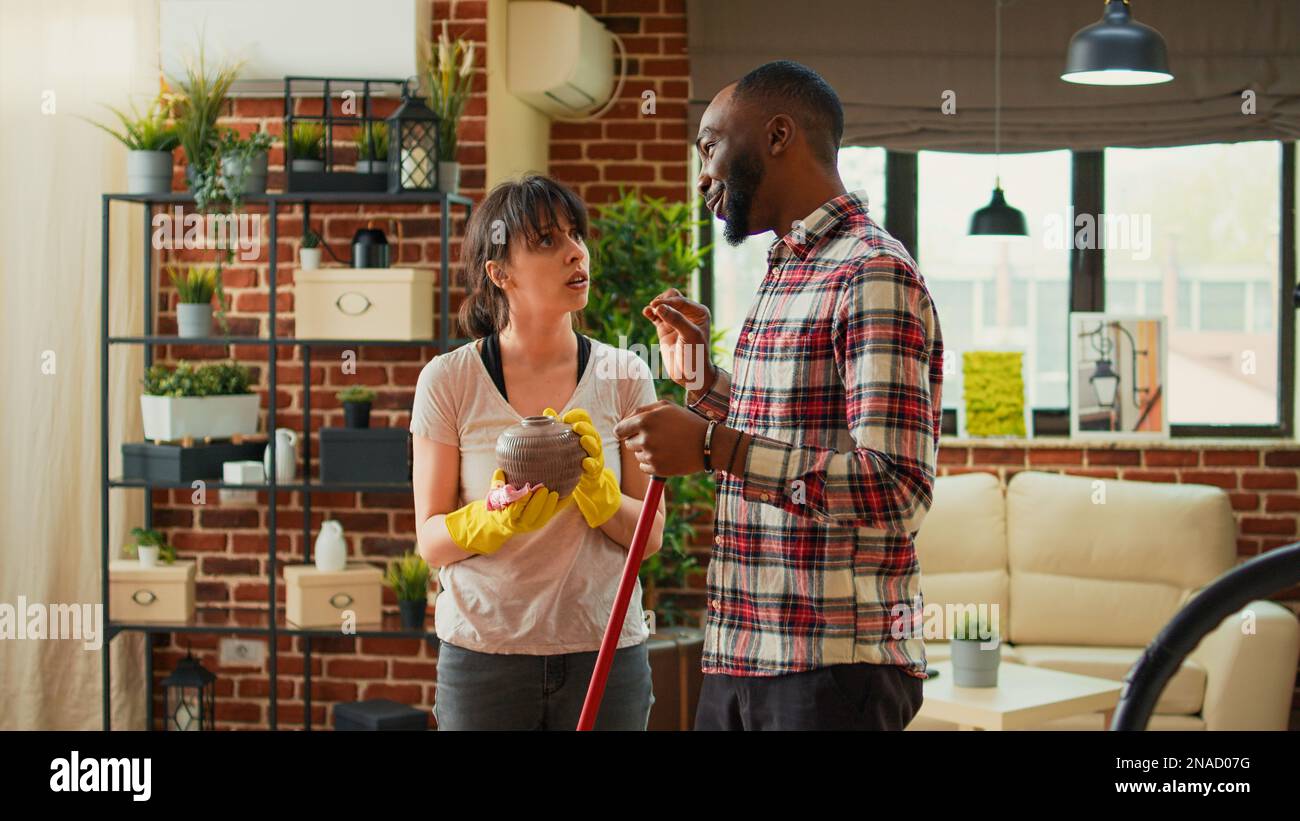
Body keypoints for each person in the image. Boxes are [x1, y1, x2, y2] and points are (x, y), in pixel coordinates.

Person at [613, 61, 945, 730]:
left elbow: (898, 485)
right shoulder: (789, 269)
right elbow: (790, 430)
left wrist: (710, 444)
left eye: (709, 144)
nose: (701, 173)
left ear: (778, 134)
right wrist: (707, 384)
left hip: (830, 665)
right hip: (745, 649)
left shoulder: (871, 272)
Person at [410, 174, 664, 730]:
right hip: (484, 659)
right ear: (499, 273)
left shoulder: (624, 376)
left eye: (576, 234)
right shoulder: (449, 381)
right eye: (548, 240)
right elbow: (429, 538)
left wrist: (600, 497)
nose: (576, 252)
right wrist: (489, 520)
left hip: (605, 651)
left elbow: (651, 536)